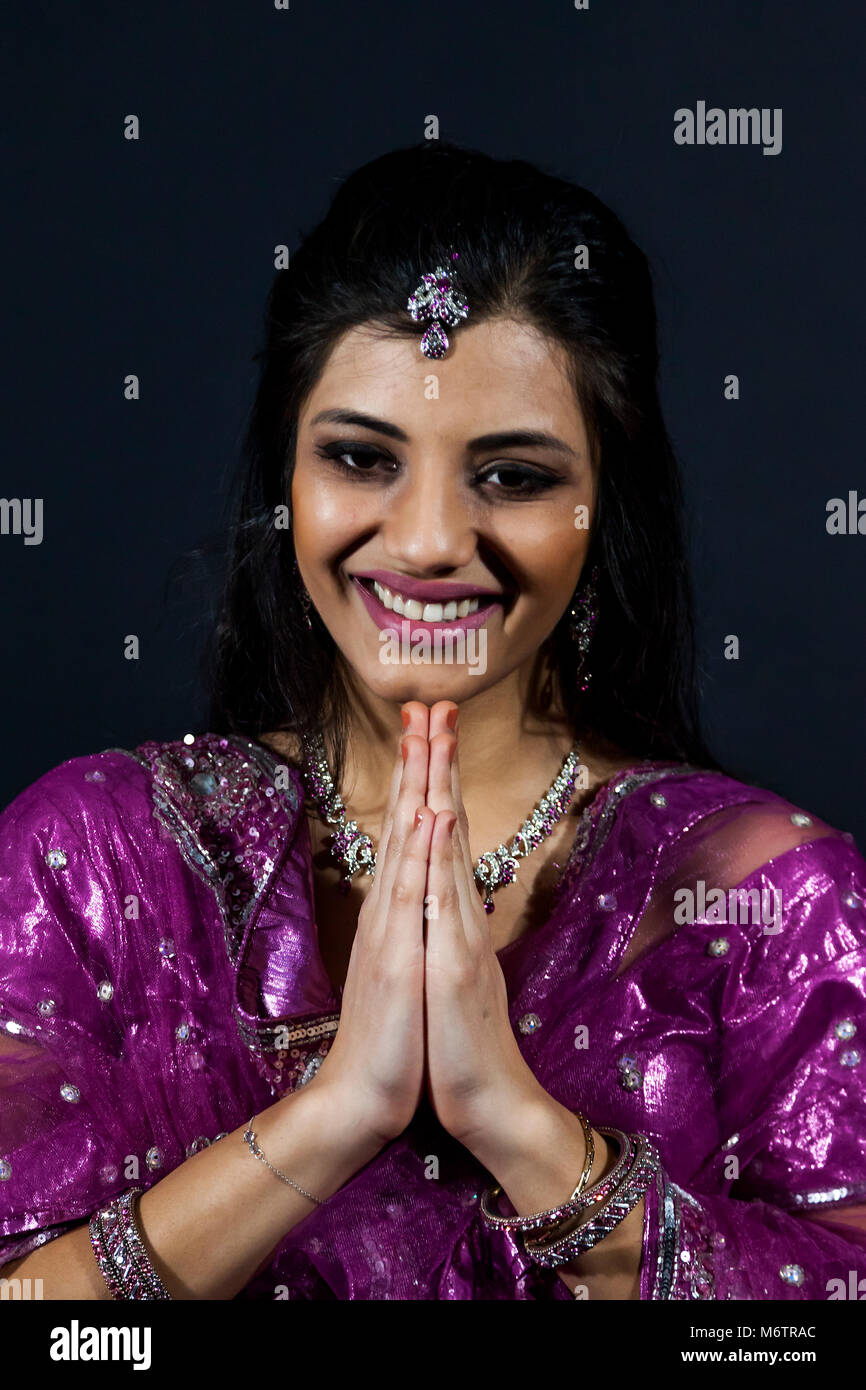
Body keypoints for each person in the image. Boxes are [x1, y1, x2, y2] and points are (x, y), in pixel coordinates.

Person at [1, 142, 865, 1301]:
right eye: (360, 458)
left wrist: (521, 1131)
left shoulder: (763, 894)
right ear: (288, 483)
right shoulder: (92, 858)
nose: (423, 542)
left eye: (509, 476)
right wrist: (334, 1115)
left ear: (601, 507)